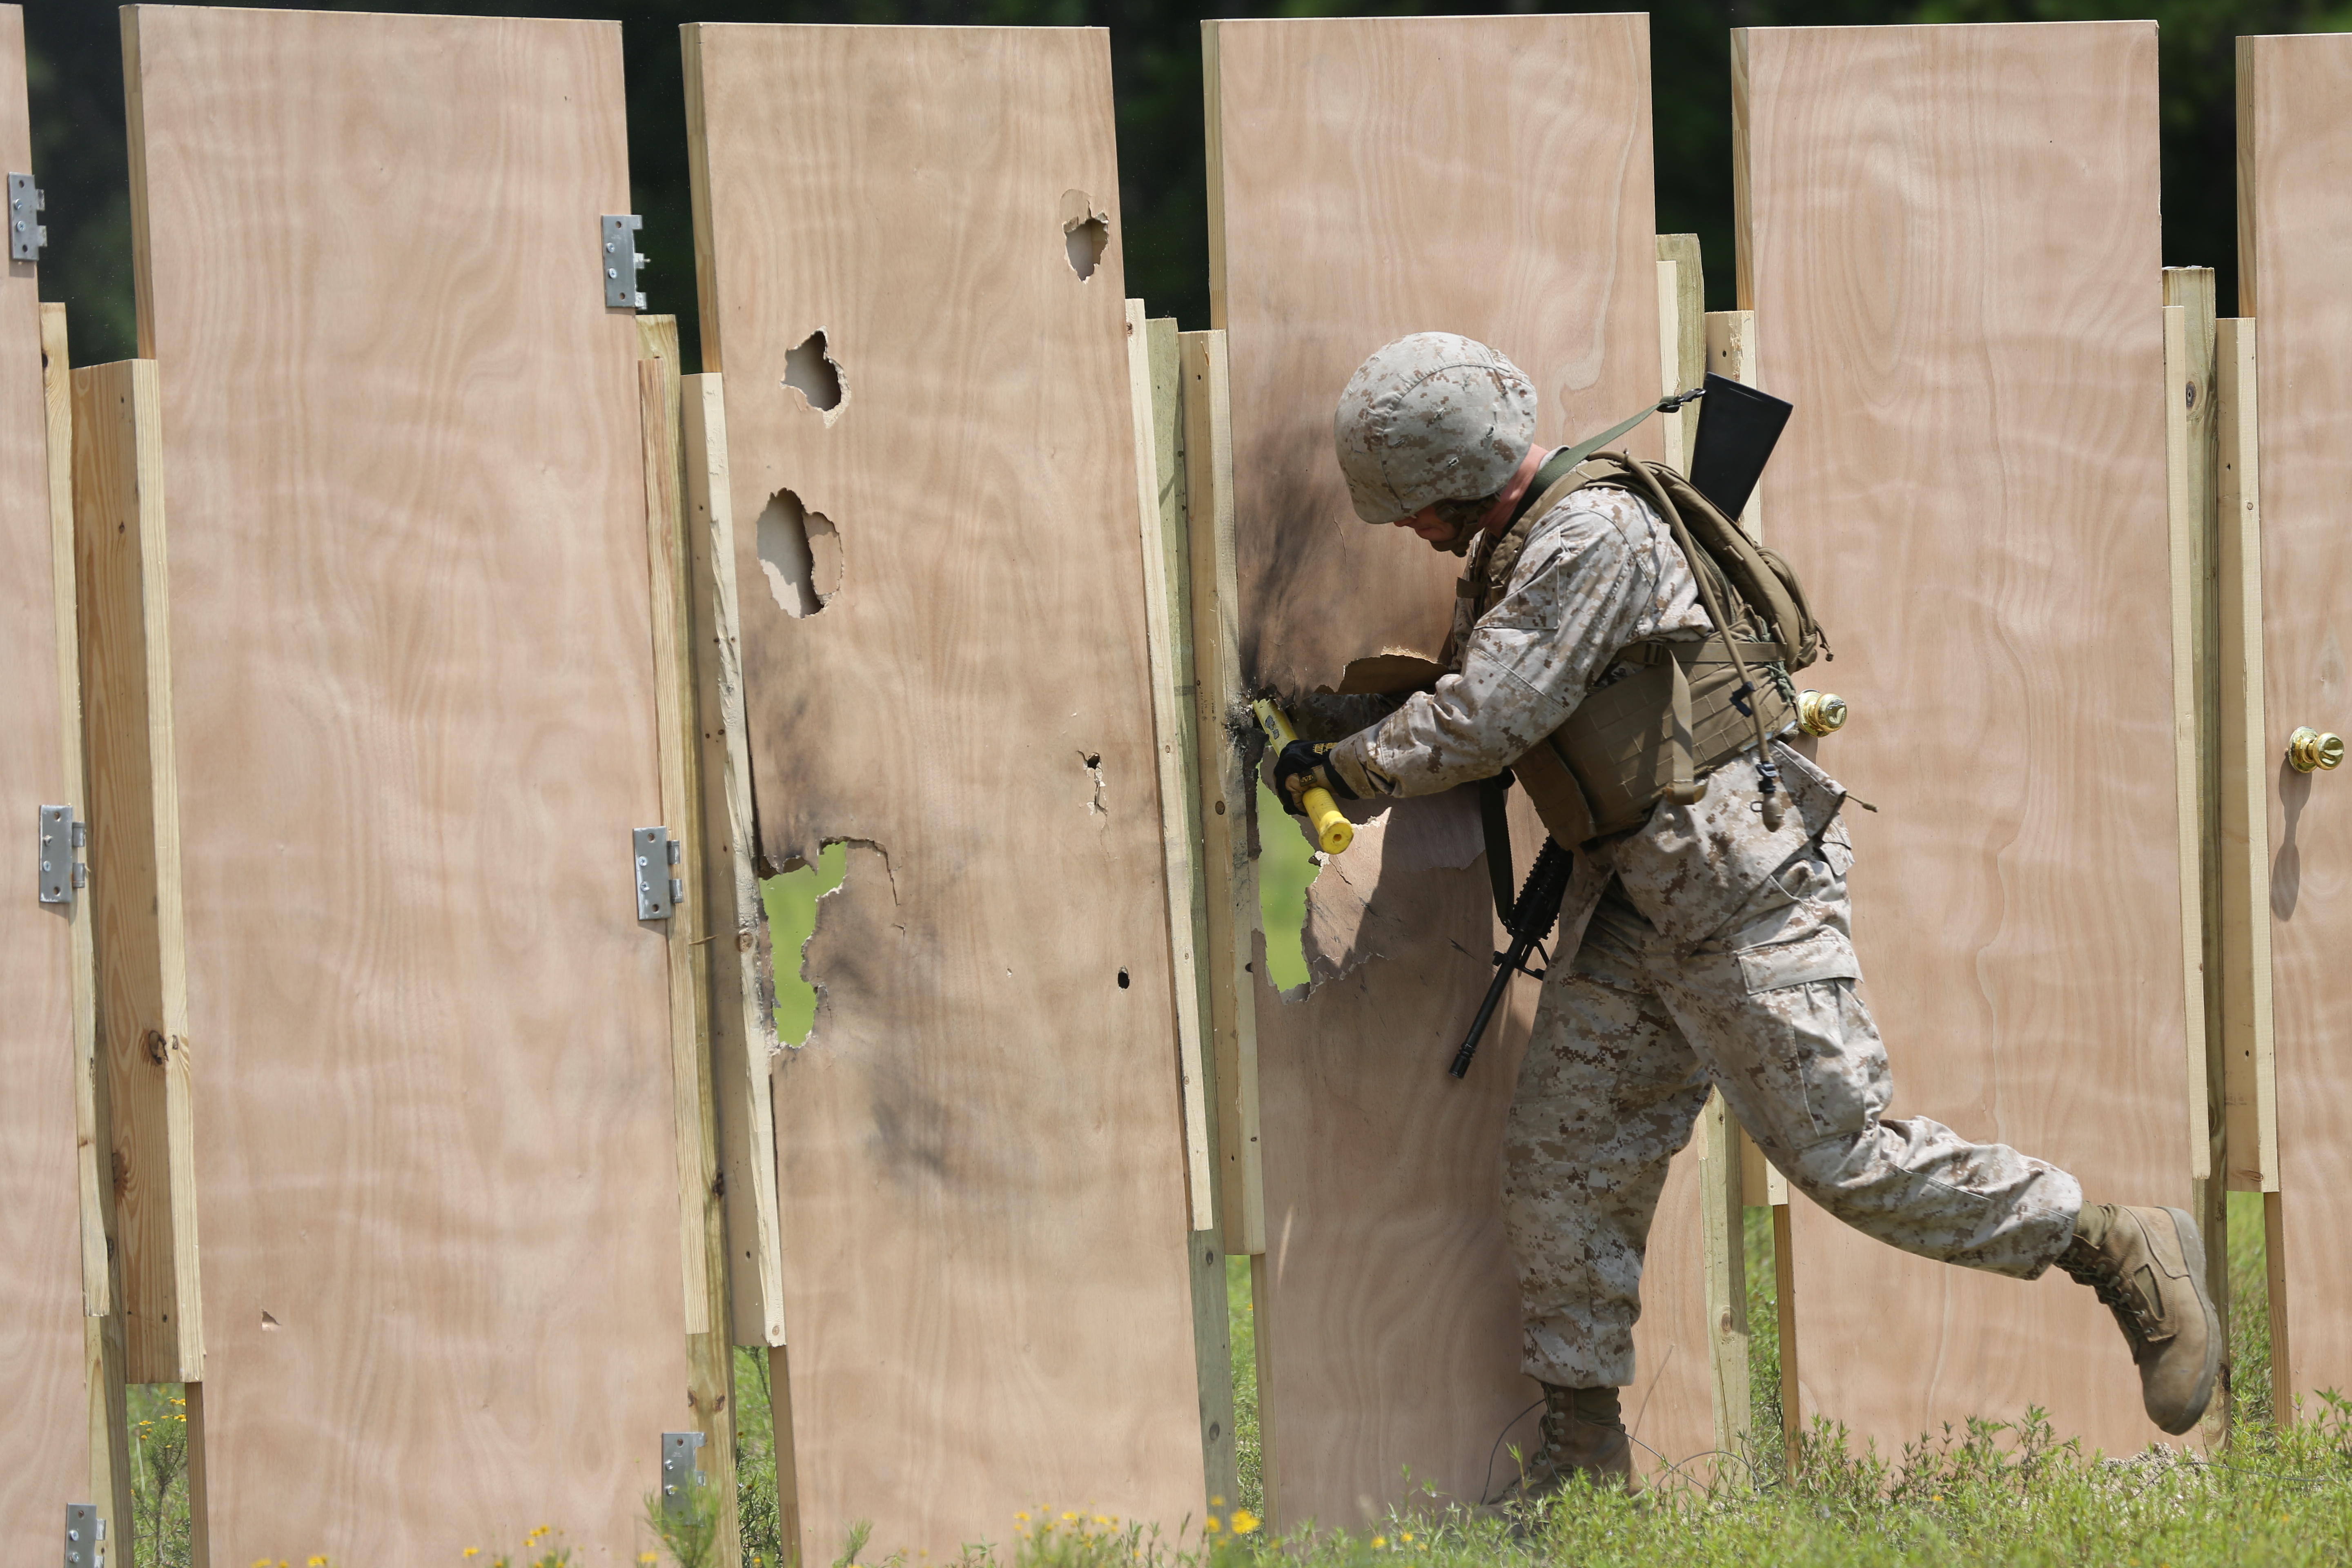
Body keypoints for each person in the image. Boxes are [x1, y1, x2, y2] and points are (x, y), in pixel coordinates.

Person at [1264, 332, 2219, 1494]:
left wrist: (1348, 772)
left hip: (1741, 891)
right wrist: (1316, 720)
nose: (1413, 531)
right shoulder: (1524, 542)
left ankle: (2115, 1246)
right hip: (1641, 896)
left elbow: (1487, 716)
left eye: (1415, 507)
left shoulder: (1588, 537)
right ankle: (1584, 1461)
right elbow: (1475, 689)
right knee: (1564, 1165)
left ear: (1462, 469)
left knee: (1845, 1156)